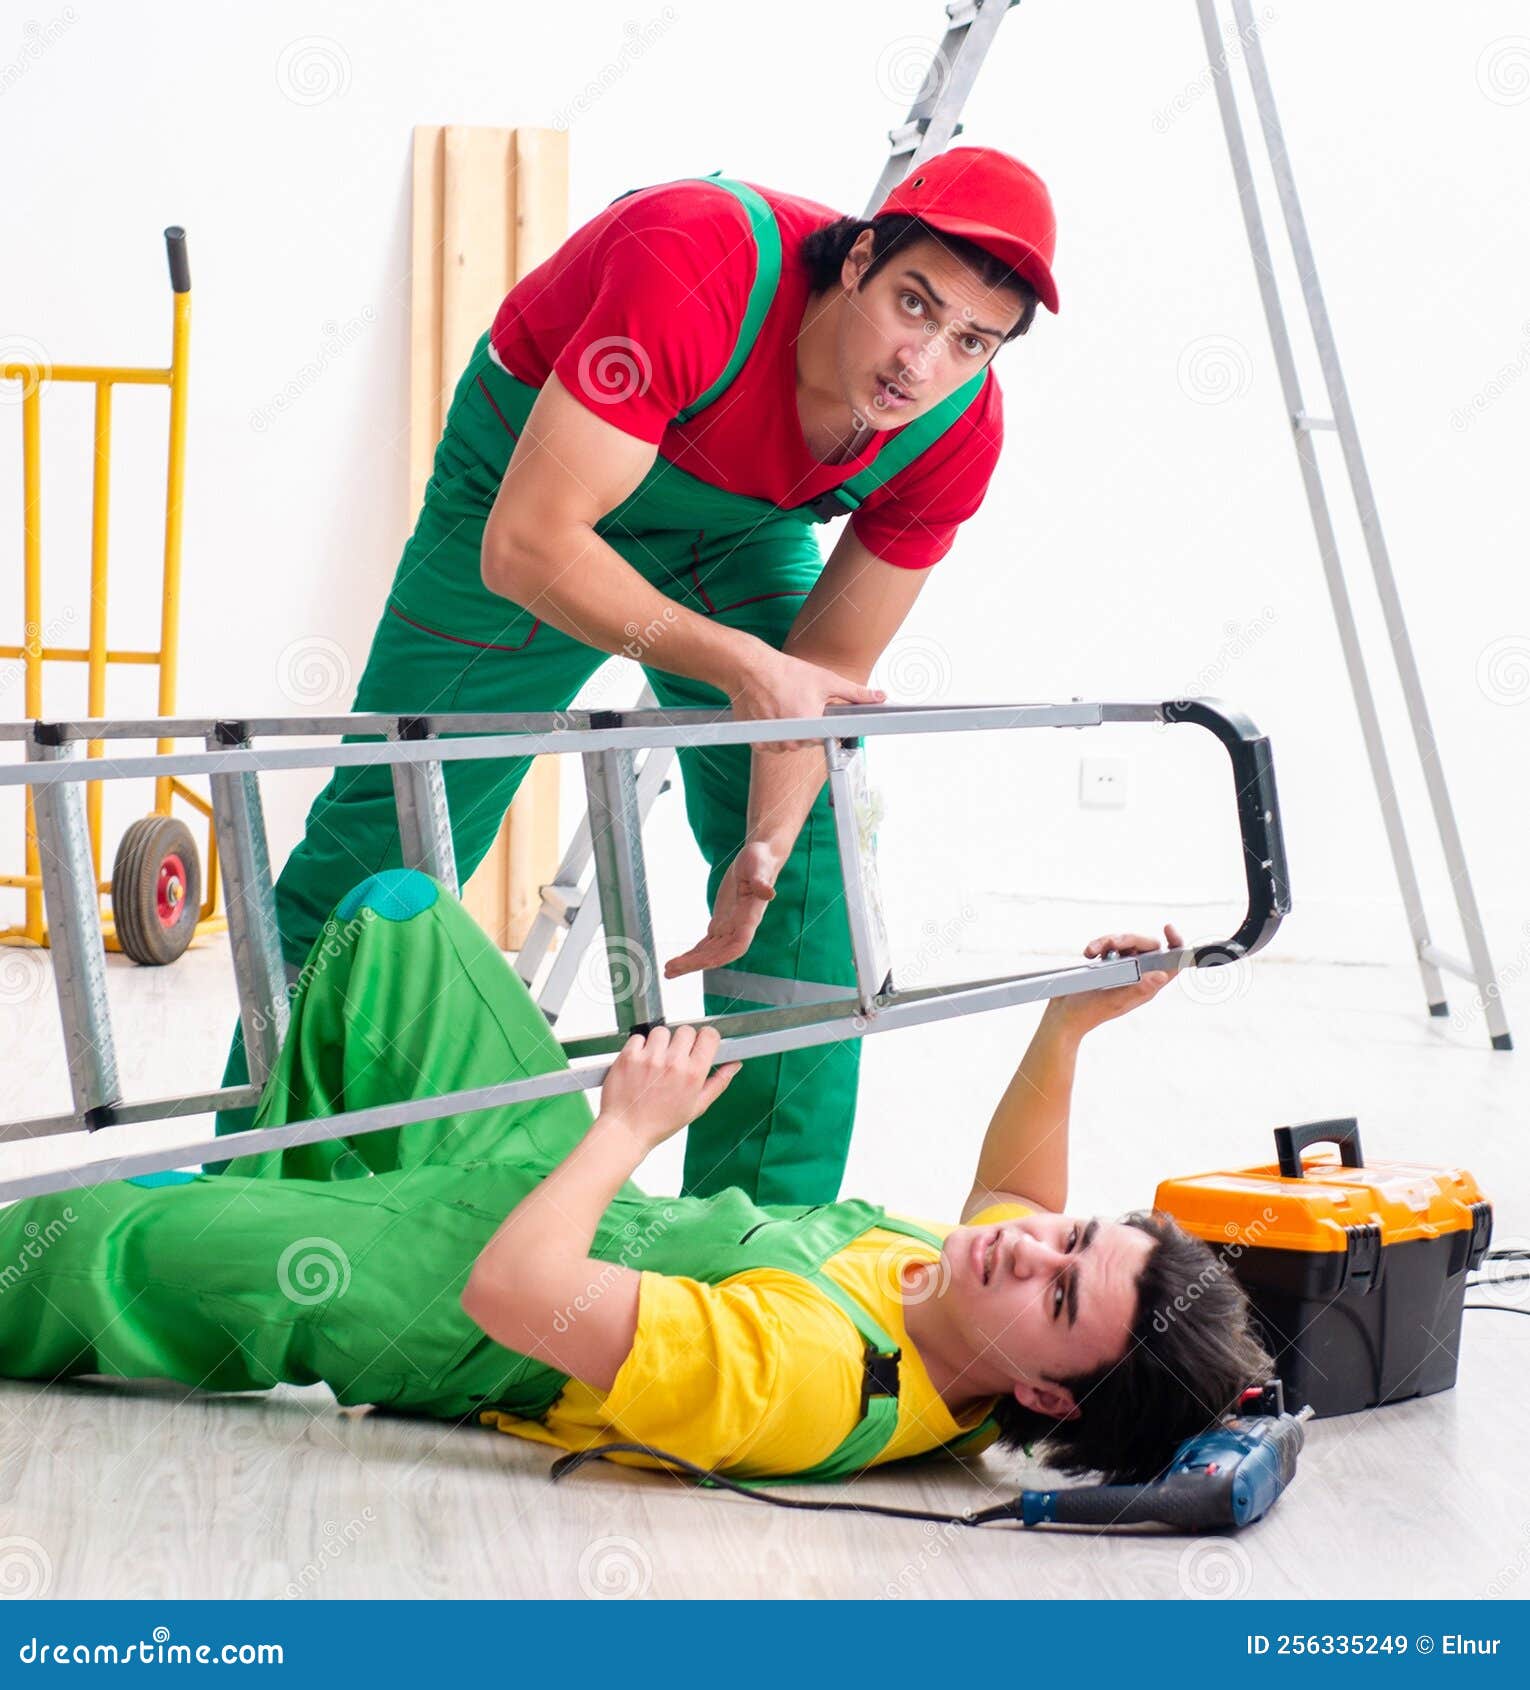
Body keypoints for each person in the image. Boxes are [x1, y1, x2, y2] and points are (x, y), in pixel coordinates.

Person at [213, 147, 1063, 1207]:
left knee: (811, 871)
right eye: (912, 304)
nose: (921, 361)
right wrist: (734, 660)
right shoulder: (694, 258)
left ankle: (754, 1248)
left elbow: (824, 674)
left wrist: (763, 842)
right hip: (530, 484)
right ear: (855, 260)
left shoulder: (956, 432)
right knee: (390, 829)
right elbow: (527, 547)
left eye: (969, 341)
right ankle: (248, 1197)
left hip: (738, 535)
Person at [0, 871, 1271, 1487]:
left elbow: (517, 1292)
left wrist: (630, 1126)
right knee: (398, 924)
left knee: (73, 1240)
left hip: (454, 1297)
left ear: (1045, 1385)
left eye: (1059, 1293)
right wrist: (1073, 1025)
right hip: (538, 1175)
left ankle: (246, 1238)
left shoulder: (810, 1379)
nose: (1029, 1248)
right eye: (1076, 1234)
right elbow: (1010, 1195)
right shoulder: (963, 1291)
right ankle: (265, 1212)